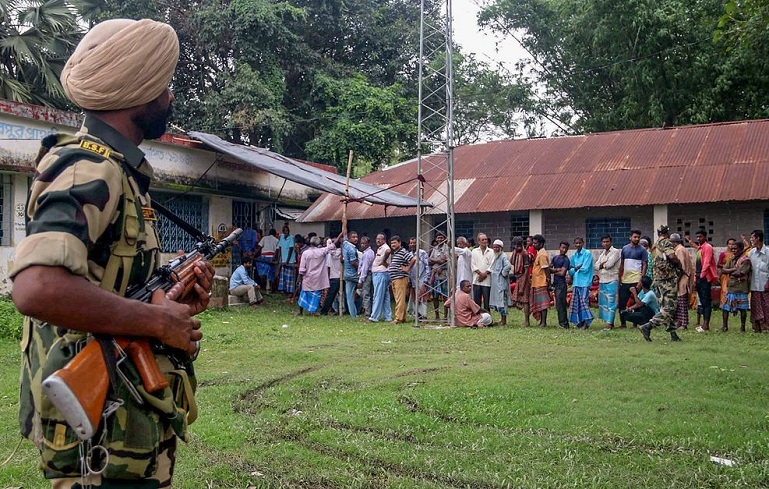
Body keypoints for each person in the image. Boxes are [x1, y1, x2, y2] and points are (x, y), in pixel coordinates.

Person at [10, 19, 216, 487]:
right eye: (164, 87)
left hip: (127, 419)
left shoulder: (120, 174)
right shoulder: (90, 166)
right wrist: (158, 322)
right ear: (140, 94)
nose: (170, 98)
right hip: (101, 436)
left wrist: (172, 304)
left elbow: (109, 289)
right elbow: (38, 287)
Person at [640, 225, 682, 342]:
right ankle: (648, 326)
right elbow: (672, 256)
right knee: (669, 307)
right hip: (667, 279)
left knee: (664, 306)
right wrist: (678, 264)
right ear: (667, 233)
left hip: (658, 279)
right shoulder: (666, 243)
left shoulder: (655, 245)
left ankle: (673, 334)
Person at [298, 233, 342, 315]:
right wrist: (340, 234)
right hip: (318, 278)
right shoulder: (322, 251)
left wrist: (301, 278)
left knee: (304, 294)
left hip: (307, 278)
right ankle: (314, 311)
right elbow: (333, 245)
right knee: (316, 295)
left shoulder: (305, 253)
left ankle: (301, 312)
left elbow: (301, 269)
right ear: (318, 244)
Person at [617, 229, 648, 328]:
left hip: (636, 279)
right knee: (622, 302)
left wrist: (641, 280)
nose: (637, 239)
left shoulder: (642, 250)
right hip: (625, 280)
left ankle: (635, 324)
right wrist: (620, 276)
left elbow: (644, 265)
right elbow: (622, 264)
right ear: (630, 237)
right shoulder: (625, 249)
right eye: (635, 237)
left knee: (636, 303)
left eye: (638, 237)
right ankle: (623, 323)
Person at [721, 241, 751, 332]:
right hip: (731, 288)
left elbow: (740, 273)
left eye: (735, 249)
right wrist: (734, 269)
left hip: (741, 288)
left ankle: (742, 327)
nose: (733, 250)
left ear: (741, 249)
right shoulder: (732, 258)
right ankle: (725, 326)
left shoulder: (746, 260)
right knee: (725, 308)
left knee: (743, 309)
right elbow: (723, 270)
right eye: (732, 249)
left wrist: (730, 271)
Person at [388, 235, 416, 324]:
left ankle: (398, 318)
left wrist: (407, 268)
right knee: (399, 299)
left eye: (394, 243)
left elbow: (414, 259)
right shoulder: (396, 253)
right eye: (391, 243)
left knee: (400, 299)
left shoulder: (403, 251)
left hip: (400, 278)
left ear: (399, 243)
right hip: (395, 279)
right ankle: (402, 317)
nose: (393, 245)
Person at [694, 229, 717, 332]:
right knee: (702, 302)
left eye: (700, 237)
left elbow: (706, 263)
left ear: (705, 237)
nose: (699, 238)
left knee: (706, 301)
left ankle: (706, 324)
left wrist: (702, 276)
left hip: (705, 278)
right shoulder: (700, 248)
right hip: (699, 277)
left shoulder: (708, 247)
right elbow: (698, 264)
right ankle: (704, 324)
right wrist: (696, 277)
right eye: (697, 237)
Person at [568, 237, 594, 329]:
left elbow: (585, 268)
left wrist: (575, 269)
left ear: (583, 243)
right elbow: (570, 271)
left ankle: (587, 321)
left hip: (585, 282)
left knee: (584, 302)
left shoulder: (587, 254)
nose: (578, 245)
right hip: (576, 282)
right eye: (576, 243)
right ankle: (579, 322)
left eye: (579, 243)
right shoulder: (574, 256)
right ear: (574, 244)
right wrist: (575, 268)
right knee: (577, 304)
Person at [596, 235, 621, 329]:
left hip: (612, 280)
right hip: (602, 280)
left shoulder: (615, 252)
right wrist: (602, 264)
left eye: (607, 241)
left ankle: (610, 324)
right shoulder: (603, 254)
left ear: (611, 242)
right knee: (604, 303)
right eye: (604, 242)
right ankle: (609, 322)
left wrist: (602, 265)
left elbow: (609, 265)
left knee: (611, 302)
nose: (605, 243)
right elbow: (596, 266)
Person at [365, 233, 392, 323]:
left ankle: (374, 316)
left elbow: (388, 251)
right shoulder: (380, 248)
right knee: (385, 296)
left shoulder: (385, 247)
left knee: (378, 295)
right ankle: (387, 316)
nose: (378, 240)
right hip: (380, 273)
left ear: (384, 240)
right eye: (377, 239)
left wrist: (383, 260)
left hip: (381, 273)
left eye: (380, 239)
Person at [670, 233, 694, 330]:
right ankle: (679, 322)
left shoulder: (679, 250)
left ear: (674, 242)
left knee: (681, 302)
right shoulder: (682, 249)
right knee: (679, 301)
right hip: (684, 277)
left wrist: (676, 280)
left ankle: (683, 323)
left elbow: (681, 267)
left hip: (682, 278)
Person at [748, 230, 769, 333]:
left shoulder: (768, 252)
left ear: (758, 238)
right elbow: (746, 263)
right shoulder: (752, 253)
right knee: (755, 306)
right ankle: (757, 327)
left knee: (766, 306)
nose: (751, 239)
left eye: (752, 237)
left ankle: (766, 326)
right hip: (754, 285)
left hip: (765, 284)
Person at [510, 236, 533, 326]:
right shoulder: (516, 253)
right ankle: (523, 311)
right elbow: (511, 262)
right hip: (518, 278)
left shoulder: (525, 254)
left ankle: (527, 321)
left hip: (524, 278)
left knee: (525, 300)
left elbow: (526, 270)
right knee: (515, 299)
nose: (517, 248)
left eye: (518, 246)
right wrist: (514, 252)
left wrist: (523, 285)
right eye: (515, 246)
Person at [529, 234, 551, 327]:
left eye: (536, 243)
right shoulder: (539, 253)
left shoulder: (542, 254)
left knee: (543, 304)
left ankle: (543, 322)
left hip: (541, 282)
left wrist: (548, 281)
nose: (534, 245)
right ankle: (541, 321)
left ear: (541, 244)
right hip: (537, 282)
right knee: (539, 303)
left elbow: (546, 269)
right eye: (533, 243)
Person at [489, 239, 512, 325]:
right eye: (494, 247)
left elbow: (508, 266)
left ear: (501, 248)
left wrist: (503, 273)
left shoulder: (503, 256)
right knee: (499, 301)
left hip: (501, 282)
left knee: (502, 301)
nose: (495, 249)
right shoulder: (495, 256)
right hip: (496, 283)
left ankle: (504, 320)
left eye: (497, 247)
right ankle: (501, 319)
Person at [408, 237, 430, 320]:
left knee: (422, 296)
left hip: (422, 278)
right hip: (413, 279)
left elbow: (427, 266)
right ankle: (416, 315)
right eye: (411, 243)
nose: (413, 245)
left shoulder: (422, 253)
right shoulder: (409, 254)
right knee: (414, 297)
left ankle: (423, 315)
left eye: (414, 243)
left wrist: (426, 280)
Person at [428, 232, 450, 319]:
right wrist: (437, 260)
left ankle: (445, 316)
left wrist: (435, 260)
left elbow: (443, 261)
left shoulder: (447, 248)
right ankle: (437, 316)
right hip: (435, 275)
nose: (439, 239)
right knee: (435, 296)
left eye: (441, 238)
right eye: (438, 238)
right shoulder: (435, 248)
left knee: (445, 296)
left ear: (444, 238)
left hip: (444, 274)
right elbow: (429, 261)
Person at [471, 233, 494, 310]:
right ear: (478, 241)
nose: (485, 241)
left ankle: (488, 320)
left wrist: (485, 274)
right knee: (477, 302)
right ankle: (478, 319)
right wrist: (480, 274)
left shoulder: (491, 252)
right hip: (477, 280)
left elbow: (493, 264)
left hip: (487, 281)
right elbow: (472, 264)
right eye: (483, 240)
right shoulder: (474, 251)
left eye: (486, 239)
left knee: (487, 302)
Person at [551, 241, 571, 329]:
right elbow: (549, 268)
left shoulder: (566, 260)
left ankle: (564, 323)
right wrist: (556, 270)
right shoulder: (555, 258)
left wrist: (554, 271)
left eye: (566, 248)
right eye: (562, 247)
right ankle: (562, 322)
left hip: (562, 284)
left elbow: (563, 273)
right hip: (556, 283)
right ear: (559, 247)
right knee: (558, 304)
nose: (564, 250)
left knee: (561, 304)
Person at [342, 231, 360, 317]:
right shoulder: (352, 249)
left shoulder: (345, 244)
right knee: (364, 291)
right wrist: (360, 269)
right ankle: (359, 310)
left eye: (356, 237)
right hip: (354, 274)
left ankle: (353, 314)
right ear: (349, 238)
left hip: (346, 274)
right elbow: (353, 262)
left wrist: (344, 221)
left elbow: (344, 232)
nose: (356, 239)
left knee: (349, 295)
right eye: (353, 237)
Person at [357, 236, 375, 317]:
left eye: (364, 243)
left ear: (368, 243)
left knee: (366, 294)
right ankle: (370, 312)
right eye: (361, 243)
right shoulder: (369, 252)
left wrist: (361, 280)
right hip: (369, 274)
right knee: (370, 294)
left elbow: (365, 268)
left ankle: (368, 313)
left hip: (367, 275)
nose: (362, 245)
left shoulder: (367, 254)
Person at [277, 224, 296, 296]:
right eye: (285, 231)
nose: (286, 232)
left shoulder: (291, 237)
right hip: (283, 259)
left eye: (287, 230)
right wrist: (280, 259)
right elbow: (280, 248)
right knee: (283, 276)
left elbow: (291, 249)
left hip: (290, 260)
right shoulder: (281, 237)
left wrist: (287, 261)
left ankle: (290, 291)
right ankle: (284, 290)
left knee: (290, 277)